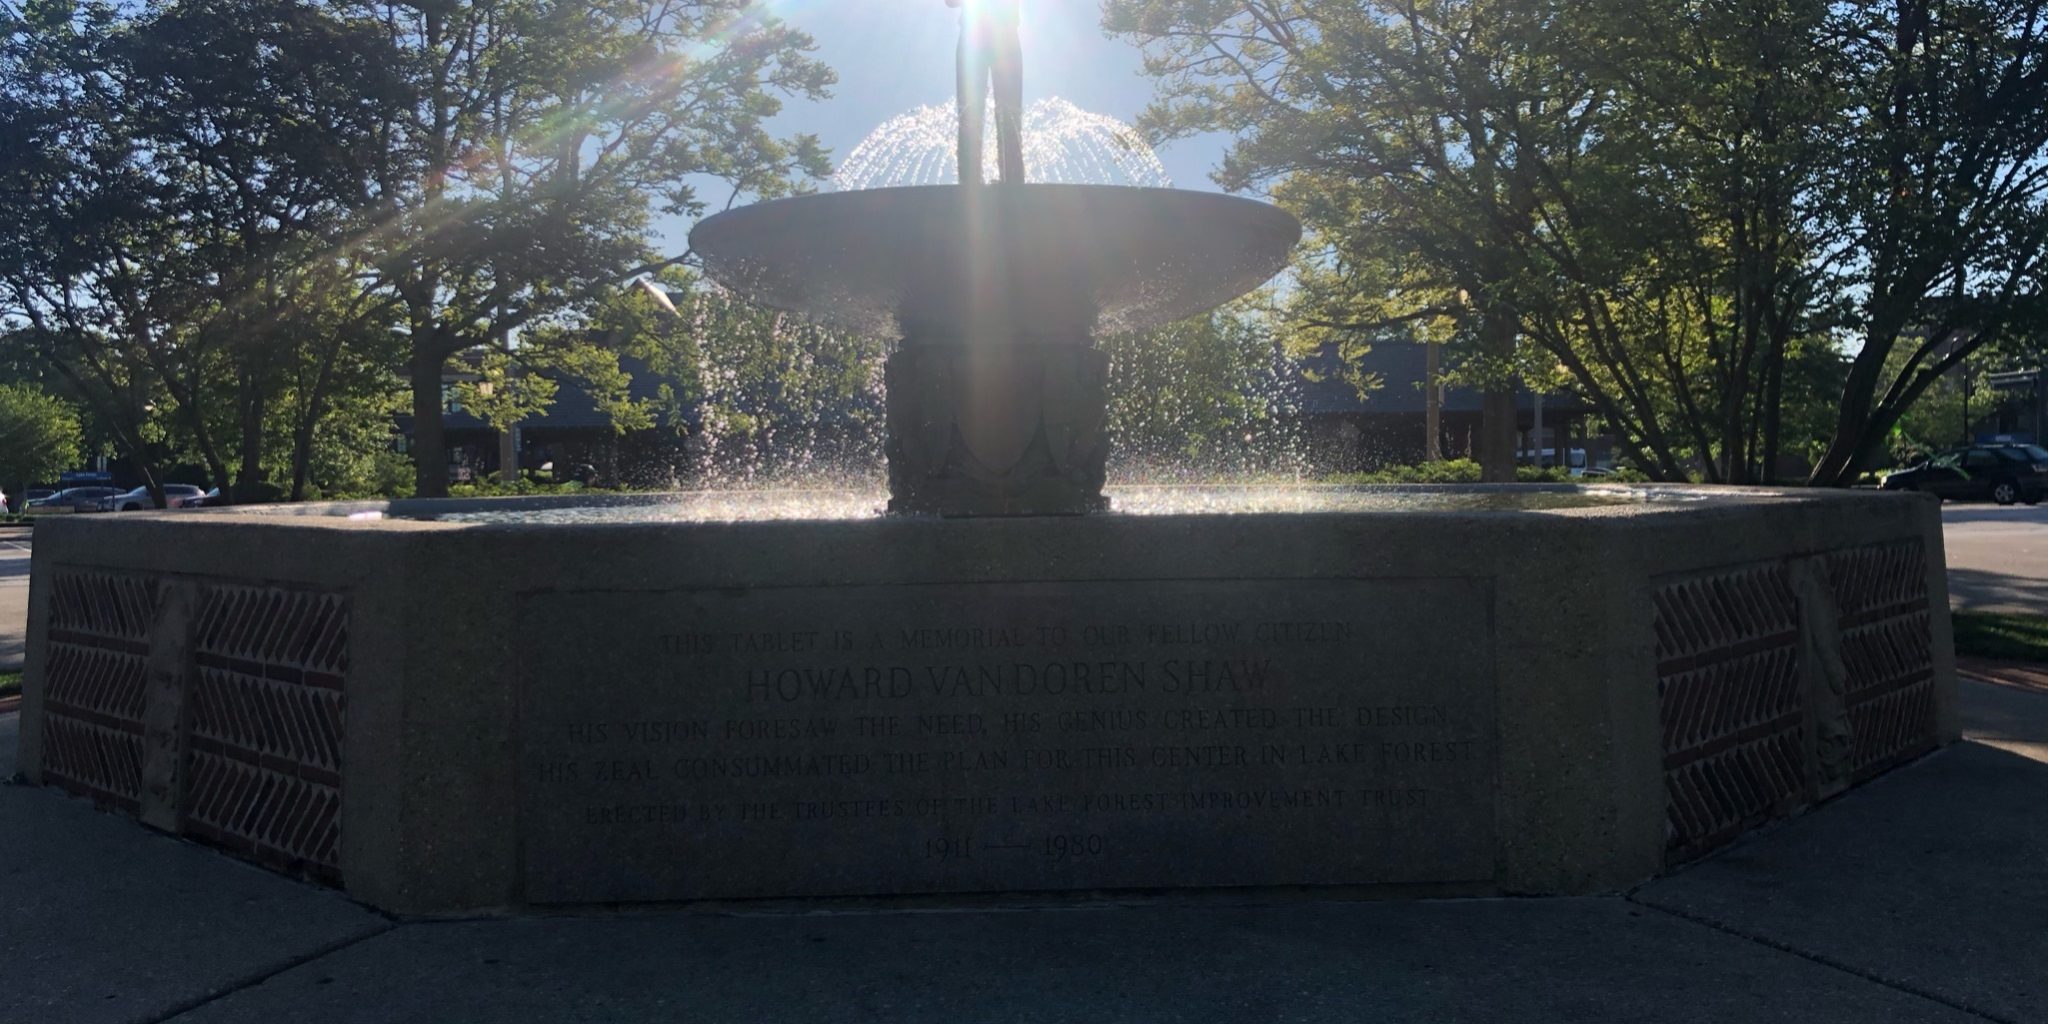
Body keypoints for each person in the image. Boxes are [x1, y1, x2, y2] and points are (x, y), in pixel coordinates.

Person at [947, 0, 1024, 185]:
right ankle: (969, 184)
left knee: (1009, 114)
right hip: (977, 35)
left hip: (1003, 34)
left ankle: (1012, 183)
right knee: (969, 113)